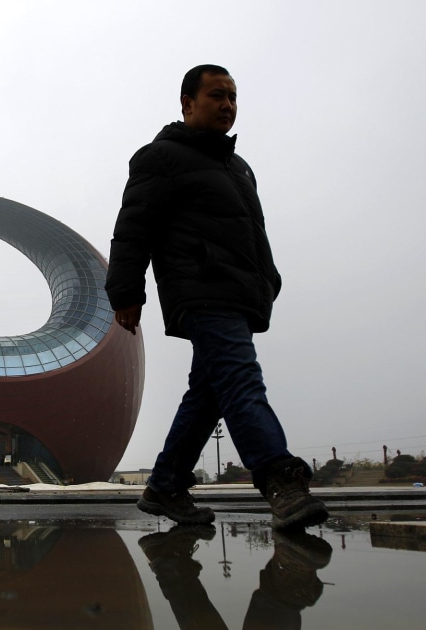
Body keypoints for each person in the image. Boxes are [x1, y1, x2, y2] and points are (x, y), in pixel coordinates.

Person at [105, 64, 327, 530]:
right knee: (241, 379)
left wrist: (270, 278)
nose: (227, 104)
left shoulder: (237, 166)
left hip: (240, 292)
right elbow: (133, 228)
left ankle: (164, 485)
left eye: (232, 96)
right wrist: (127, 290)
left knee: (207, 393)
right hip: (201, 291)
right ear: (187, 104)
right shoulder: (160, 157)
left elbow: (251, 232)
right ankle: (281, 481)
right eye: (216, 96)